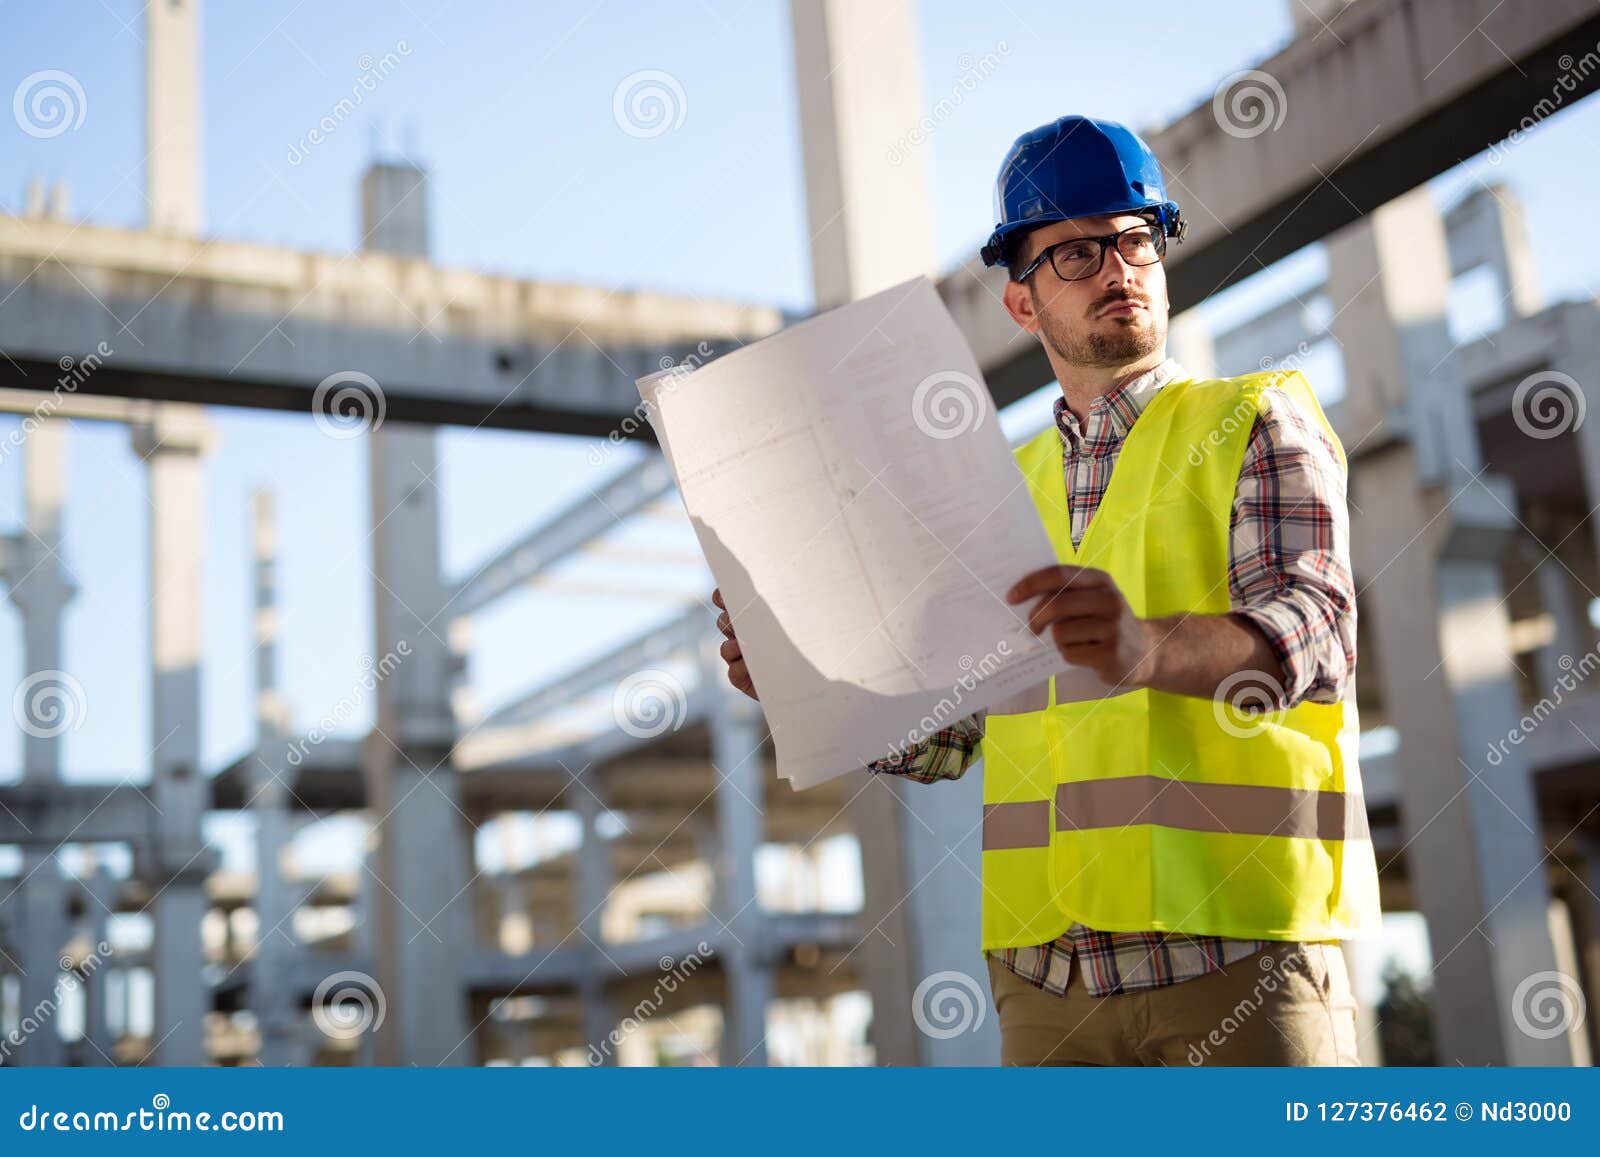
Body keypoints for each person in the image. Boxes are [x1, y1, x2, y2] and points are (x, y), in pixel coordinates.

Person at [712, 114, 1381, 1066]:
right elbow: (951, 734)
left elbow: (1318, 633)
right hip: (1047, 987)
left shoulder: (1254, 419)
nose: (1118, 268)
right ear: (1022, 304)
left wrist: (1144, 647)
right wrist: (805, 681)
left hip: (1241, 960)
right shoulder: (993, 491)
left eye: (1137, 239)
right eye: (1076, 253)